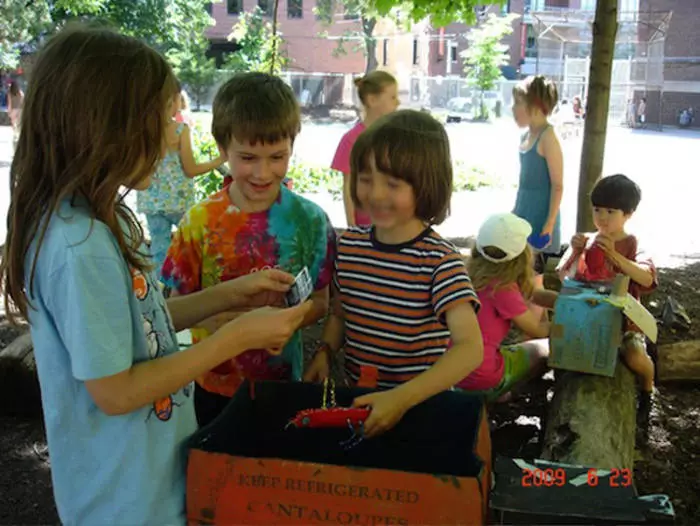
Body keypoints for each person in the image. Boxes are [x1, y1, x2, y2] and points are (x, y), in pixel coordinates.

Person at [0, 26, 312, 525]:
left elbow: (134, 325)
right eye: (165, 119)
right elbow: (116, 389)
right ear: (107, 127)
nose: (174, 135)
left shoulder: (96, 219)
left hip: (142, 481)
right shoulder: (80, 246)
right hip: (124, 501)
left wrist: (227, 299)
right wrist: (234, 338)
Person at [162, 72, 336, 428]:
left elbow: (320, 301)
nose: (262, 172)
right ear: (223, 149)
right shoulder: (199, 222)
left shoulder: (311, 221)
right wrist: (224, 322)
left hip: (283, 386)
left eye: (277, 157)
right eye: (247, 157)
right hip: (211, 385)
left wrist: (286, 324)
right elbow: (171, 310)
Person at [304, 110, 484, 438]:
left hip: (419, 411)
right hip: (358, 404)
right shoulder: (350, 247)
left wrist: (401, 399)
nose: (375, 195)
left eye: (392, 184)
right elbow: (342, 315)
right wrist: (325, 351)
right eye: (366, 179)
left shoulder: (440, 262)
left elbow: (470, 348)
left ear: (426, 185)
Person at [557, 174, 656, 423]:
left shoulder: (634, 244)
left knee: (633, 356)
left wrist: (615, 256)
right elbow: (562, 275)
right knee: (563, 352)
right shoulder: (587, 239)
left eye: (611, 211)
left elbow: (646, 279)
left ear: (628, 214)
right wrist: (574, 250)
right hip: (588, 315)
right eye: (597, 209)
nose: (602, 217)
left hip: (624, 322)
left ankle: (647, 388)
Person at [457, 213, 557, 401]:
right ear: (522, 255)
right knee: (543, 350)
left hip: (450, 373)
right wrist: (568, 322)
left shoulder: (467, 272)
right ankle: (495, 391)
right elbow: (537, 330)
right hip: (479, 376)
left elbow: (531, 294)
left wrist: (561, 301)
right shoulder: (503, 289)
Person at [136, 82, 226, 276]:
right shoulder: (180, 130)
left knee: (159, 249)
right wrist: (219, 159)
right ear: (173, 100)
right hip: (179, 200)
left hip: (151, 202)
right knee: (193, 243)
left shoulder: (142, 131)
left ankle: (160, 292)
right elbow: (191, 169)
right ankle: (194, 282)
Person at [511, 75, 564, 280]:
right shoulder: (526, 136)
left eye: (517, 103)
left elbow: (558, 185)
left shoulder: (548, 137)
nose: (512, 108)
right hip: (523, 210)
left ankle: (538, 312)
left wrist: (549, 224)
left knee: (533, 278)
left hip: (540, 217)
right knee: (518, 273)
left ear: (535, 106)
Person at [331, 71, 399, 228]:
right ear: (372, 100)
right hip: (364, 226)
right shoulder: (351, 140)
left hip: (393, 223)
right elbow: (348, 187)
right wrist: (351, 225)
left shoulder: (395, 138)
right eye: (392, 97)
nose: (397, 103)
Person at [7, 80, 23, 147]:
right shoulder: (20, 92)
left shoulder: (10, 93)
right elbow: (23, 100)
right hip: (20, 110)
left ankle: (15, 134)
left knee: (13, 123)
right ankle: (19, 134)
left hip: (13, 110)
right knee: (19, 123)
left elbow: (9, 103)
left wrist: (9, 111)